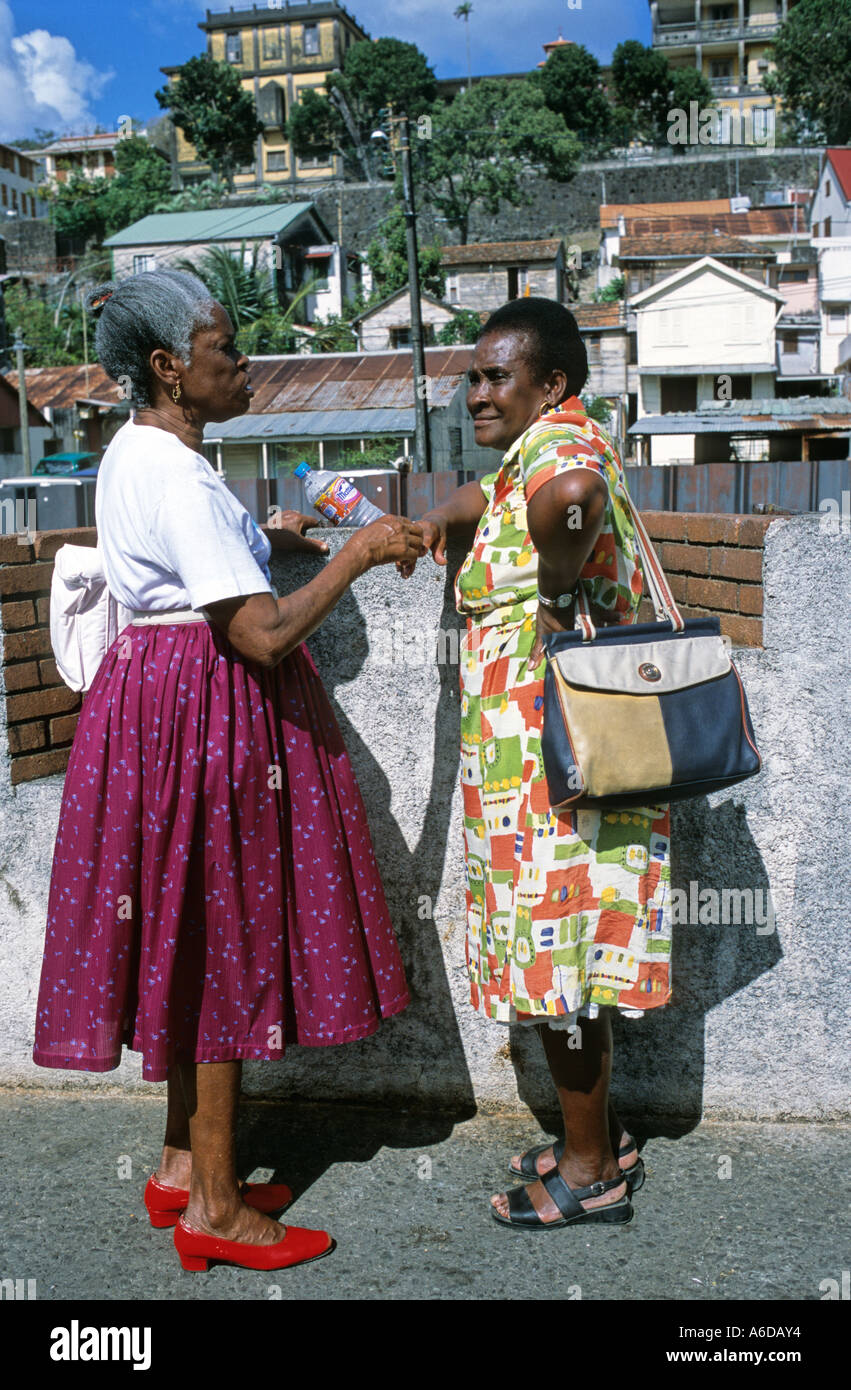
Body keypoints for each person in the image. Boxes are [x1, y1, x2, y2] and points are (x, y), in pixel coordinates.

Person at [31, 270, 425, 1272]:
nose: (241, 362)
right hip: (203, 707)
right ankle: (213, 1206)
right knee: (215, 942)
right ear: (166, 368)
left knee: (186, 925)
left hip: (152, 702)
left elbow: (191, 564)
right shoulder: (174, 473)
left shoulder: (136, 453)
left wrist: (273, 536)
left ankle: (177, 1163)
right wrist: (361, 550)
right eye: (223, 349)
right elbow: (261, 630)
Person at [411, 298, 672, 1230]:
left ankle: (591, 1173)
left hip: (556, 768)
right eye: (472, 376)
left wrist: (558, 589)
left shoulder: (562, 449)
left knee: (561, 962)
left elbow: (568, 501)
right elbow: (521, 488)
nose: (474, 391)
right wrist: (453, 509)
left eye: (494, 376)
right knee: (569, 959)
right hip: (543, 764)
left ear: (550, 384)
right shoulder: (550, 440)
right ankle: (588, 1137)